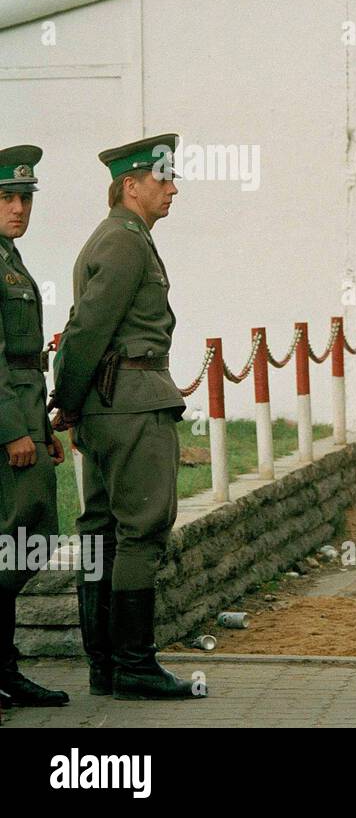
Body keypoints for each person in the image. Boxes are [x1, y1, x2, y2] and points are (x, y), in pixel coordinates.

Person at [49, 133, 198, 701]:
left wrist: (73, 400)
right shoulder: (125, 241)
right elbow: (88, 328)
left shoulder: (120, 237)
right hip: (131, 403)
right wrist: (65, 397)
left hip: (114, 402)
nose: (173, 188)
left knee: (103, 533)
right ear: (130, 186)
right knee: (141, 530)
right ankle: (132, 665)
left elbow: (86, 327)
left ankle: (107, 667)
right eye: (162, 179)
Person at [0, 146, 69, 711]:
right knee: (20, 539)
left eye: (25, 198)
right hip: (5, 431)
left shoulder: (12, 259)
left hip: (24, 419)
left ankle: (6, 670)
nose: (20, 208)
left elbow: (25, 363)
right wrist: (12, 432)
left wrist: (40, 429)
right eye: (7, 197)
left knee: (24, 541)